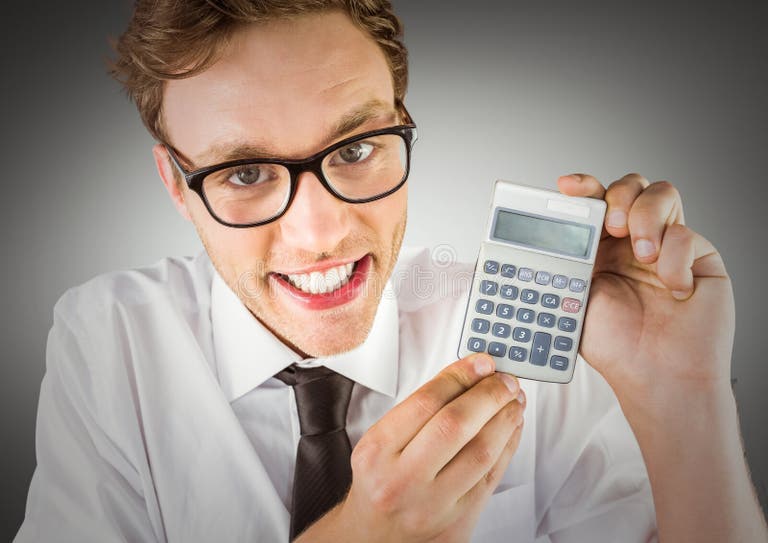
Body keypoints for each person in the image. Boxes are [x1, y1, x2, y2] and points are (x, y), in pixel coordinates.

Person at [15, 1, 767, 542]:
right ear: (177, 184)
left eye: (354, 149)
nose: (320, 232)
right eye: (245, 173)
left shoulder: (541, 333)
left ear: (402, 125)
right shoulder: (107, 337)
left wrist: (686, 402)